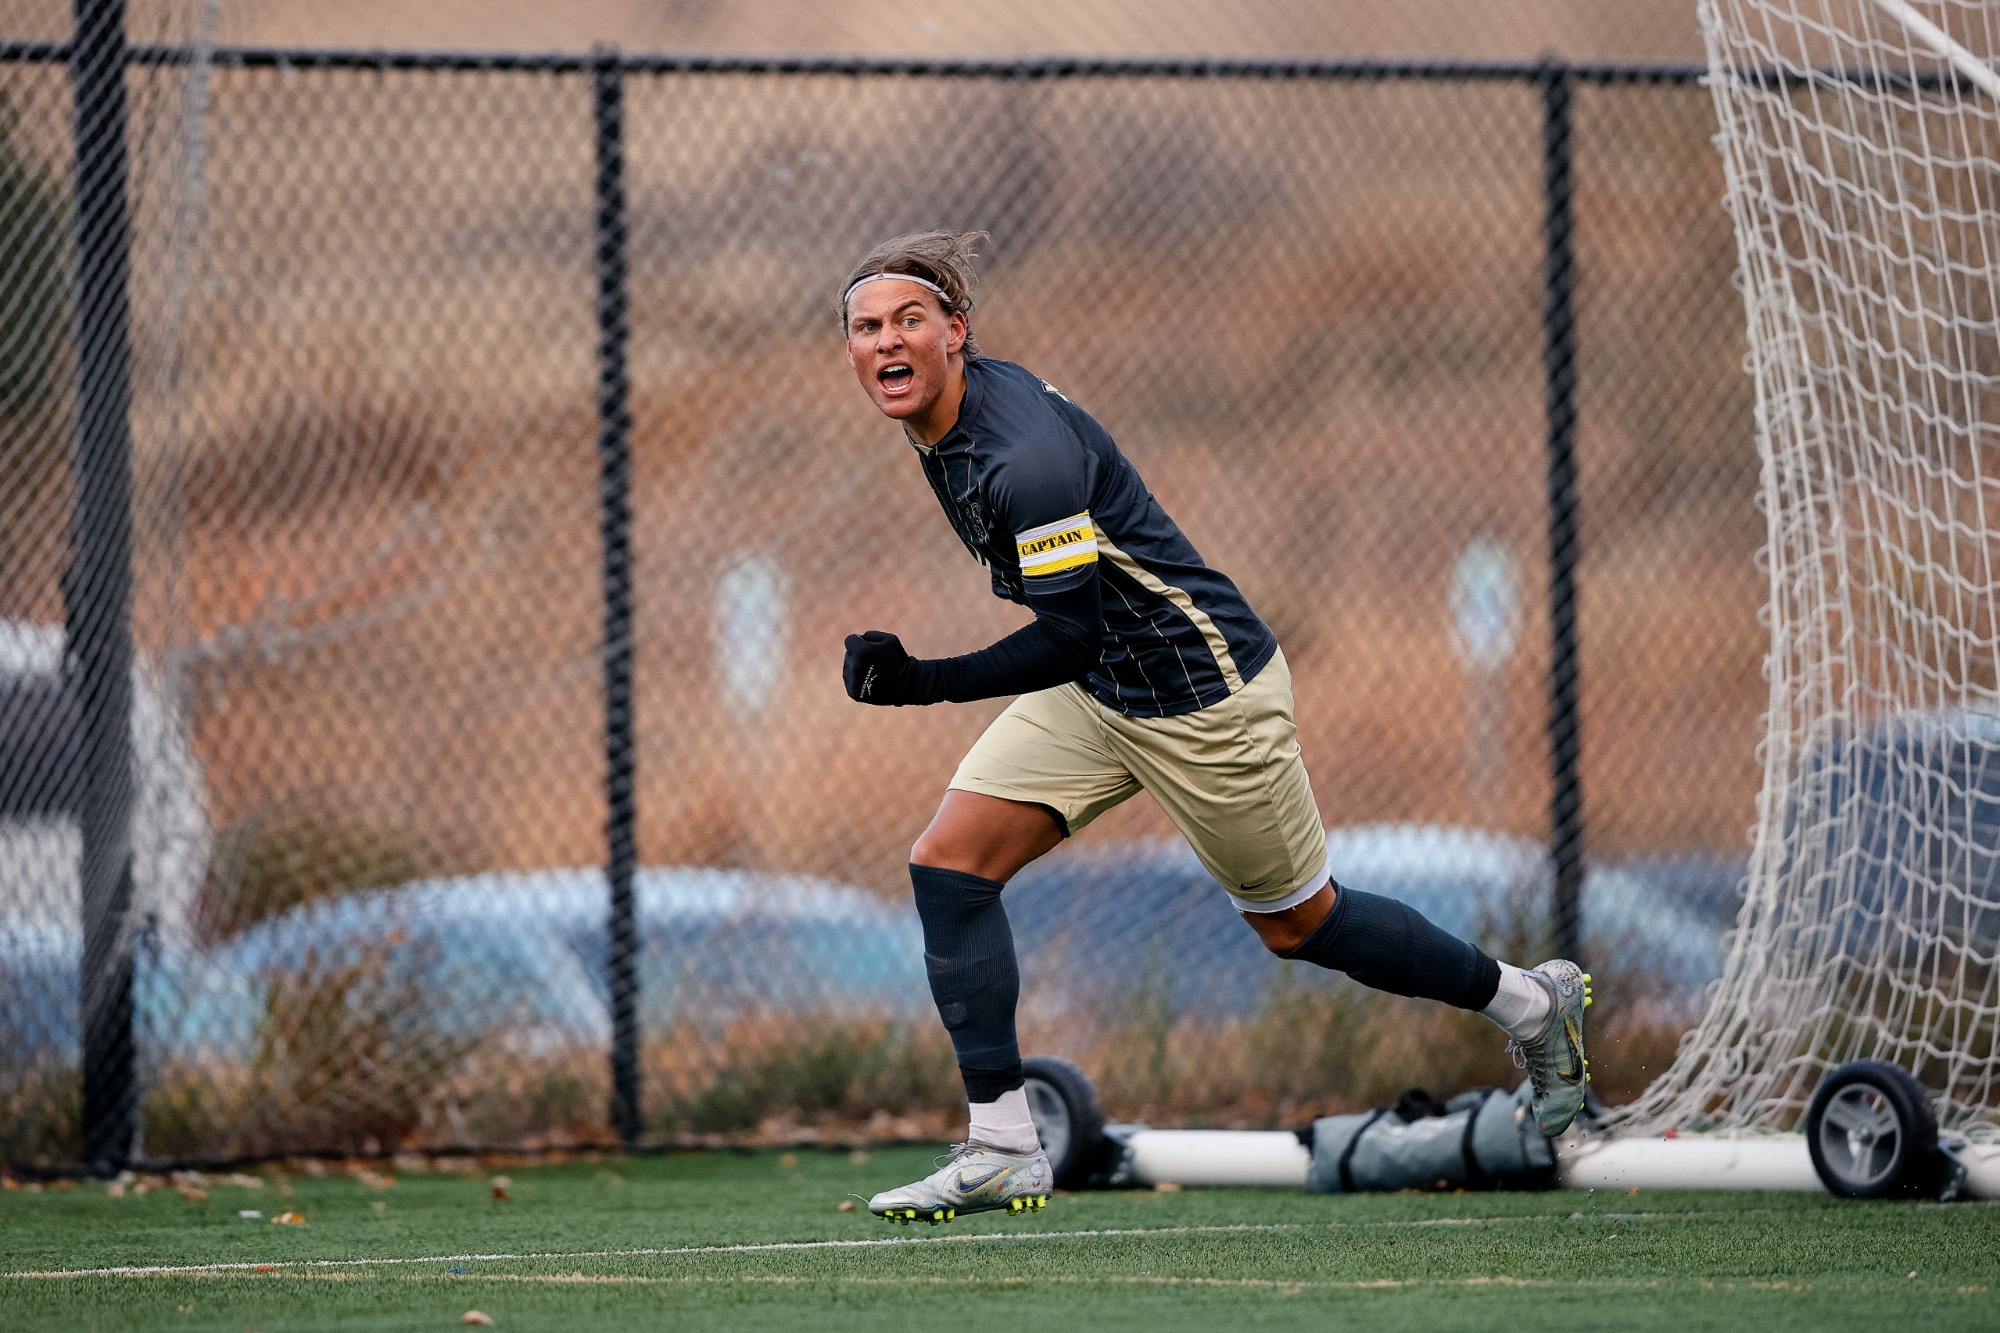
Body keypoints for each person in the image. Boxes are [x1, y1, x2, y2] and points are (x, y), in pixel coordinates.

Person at [836, 230, 1591, 1225]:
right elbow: (1081, 642)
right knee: (949, 867)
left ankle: (1531, 1006)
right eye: (865, 327)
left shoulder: (1023, 460)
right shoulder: (941, 417)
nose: (886, 340)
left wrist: (921, 683)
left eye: (909, 321)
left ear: (955, 335)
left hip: (1203, 695)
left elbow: (1064, 635)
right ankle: (1003, 1146)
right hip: (1106, 685)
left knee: (1299, 923)